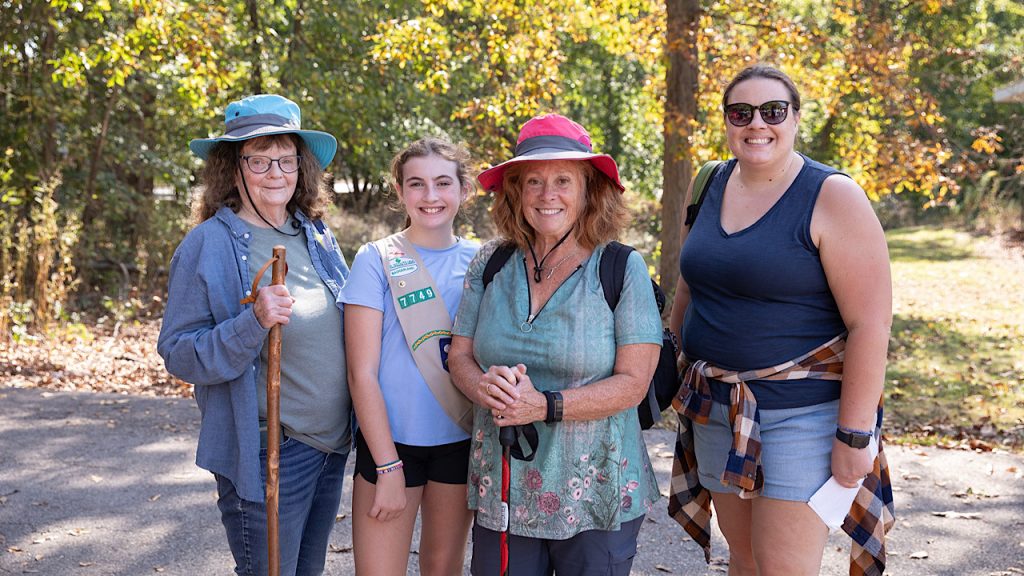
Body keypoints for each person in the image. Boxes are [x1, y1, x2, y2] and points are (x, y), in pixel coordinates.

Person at [667, 64, 894, 575]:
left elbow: (871, 324)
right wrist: (667, 362)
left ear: (795, 118)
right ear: (727, 121)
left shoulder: (833, 195)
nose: (756, 124)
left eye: (772, 111)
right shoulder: (708, 183)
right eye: (741, 112)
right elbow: (689, 286)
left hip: (801, 418)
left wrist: (855, 435)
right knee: (742, 561)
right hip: (717, 408)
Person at [449, 113, 663, 575]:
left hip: (594, 496)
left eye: (563, 180)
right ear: (515, 191)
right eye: (533, 181)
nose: (548, 195)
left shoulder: (621, 268)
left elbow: (633, 383)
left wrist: (543, 406)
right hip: (503, 486)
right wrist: (481, 386)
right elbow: (460, 356)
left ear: (589, 190)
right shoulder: (490, 262)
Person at [158, 94, 352, 576]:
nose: (275, 172)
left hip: (331, 446)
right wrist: (252, 323)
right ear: (232, 167)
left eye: (286, 159)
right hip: (271, 451)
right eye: (259, 159)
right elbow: (179, 352)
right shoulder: (207, 245)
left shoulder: (315, 233)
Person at [340, 137, 479, 576]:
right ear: (399, 191)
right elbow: (361, 373)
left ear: (463, 190)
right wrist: (387, 467)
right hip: (391, 446)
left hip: (459, 442)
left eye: (443, 183)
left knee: (444, 569)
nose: (431, 196)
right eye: (416, 184)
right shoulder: (375, 259)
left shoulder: (484, 261)